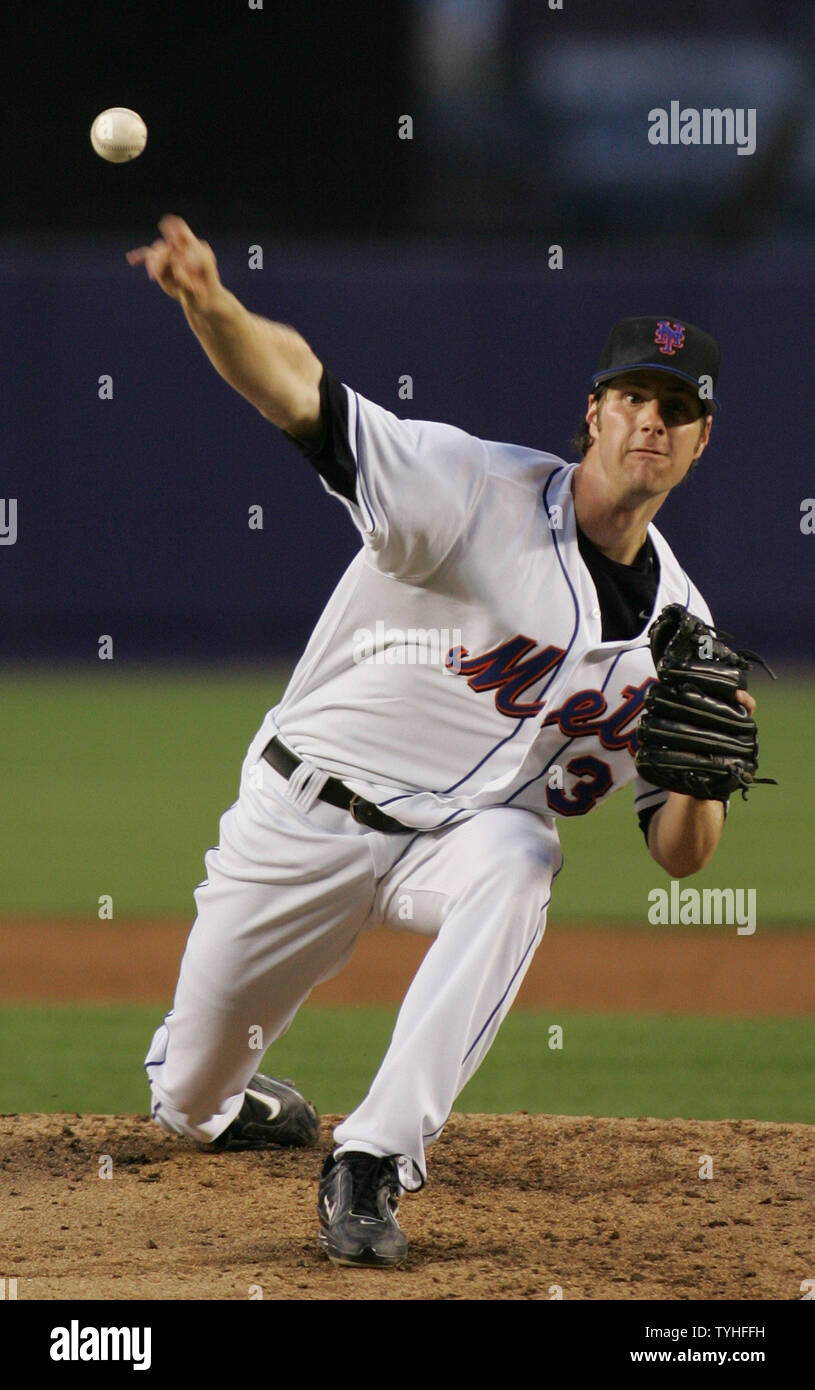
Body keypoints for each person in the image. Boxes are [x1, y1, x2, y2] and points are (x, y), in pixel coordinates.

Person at [128, 216, 758, 1269]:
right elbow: (303, 393)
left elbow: (676, 851)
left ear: (701, 439)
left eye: (679, 408)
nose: (653, 420)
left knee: (523, 857)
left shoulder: (680, 630)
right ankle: (210, 1092)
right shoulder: (469, 490)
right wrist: (212, 303)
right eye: (634, 399)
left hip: (453, 843)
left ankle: (373, 1157)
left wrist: (704, 784)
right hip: (302, 815)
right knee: (188, 1100)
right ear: (592, 414)